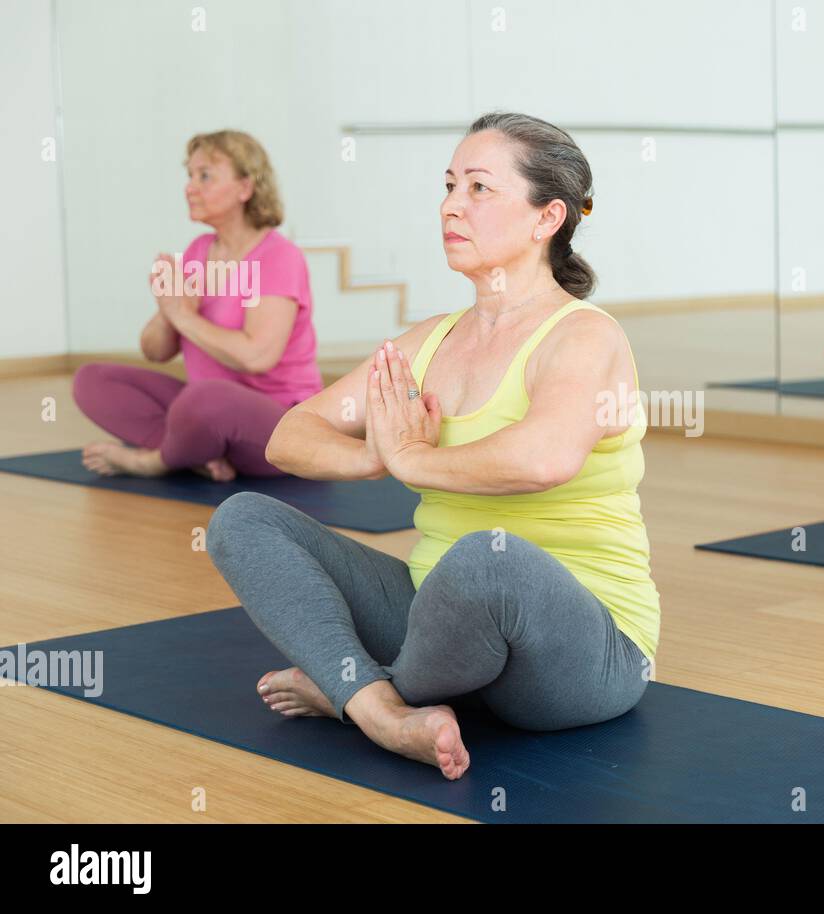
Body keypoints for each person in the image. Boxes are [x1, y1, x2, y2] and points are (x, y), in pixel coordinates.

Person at [207, 112, 660, 781]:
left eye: (479, 188)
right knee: (242, 520)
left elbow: (544, 458)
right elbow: (290, 435)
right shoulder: (430, 342)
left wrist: (413, 459)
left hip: (582, 651)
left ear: (547, 218)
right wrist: (371, 455)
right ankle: (381, 710)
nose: (451, 205)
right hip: (440, 626)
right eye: (448, 186)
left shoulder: (584, 336)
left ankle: (348, 689)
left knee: (490, 559)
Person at [75, 130, 321, 481]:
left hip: (280, 424)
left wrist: (182, 314)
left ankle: (154, 461)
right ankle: (194, 453)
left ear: (245, 188)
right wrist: (167, 310)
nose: (190, 187)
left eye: (205, 175)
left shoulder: (279, 256)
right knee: (92, 380)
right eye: (189, 176)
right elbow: (155, 352)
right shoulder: (199, 251)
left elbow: (256, 356)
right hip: (209, 410)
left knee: (204, 399)